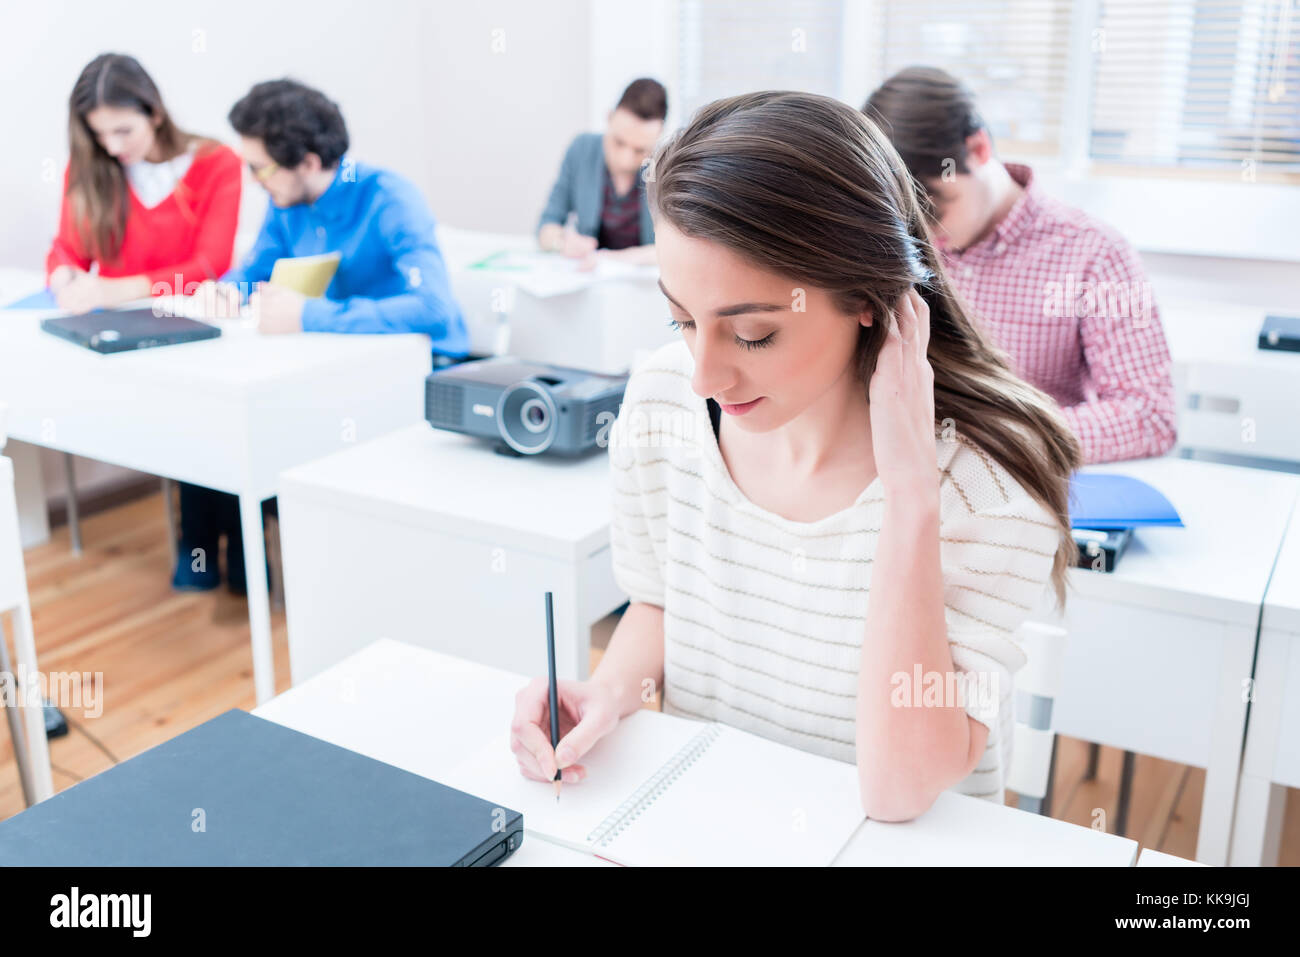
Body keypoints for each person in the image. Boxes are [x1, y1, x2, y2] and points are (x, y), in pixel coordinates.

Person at [509, 92, 1082, 821]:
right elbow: (661, 599)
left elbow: (898, 790)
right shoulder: (662, 402)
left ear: (870, 297)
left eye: (752, 334)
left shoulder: (988, 481)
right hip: (702, 823)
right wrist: (608, 691)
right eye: (682, 319)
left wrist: (910, 499)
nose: (704, 377)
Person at [178, 78, 469, 594]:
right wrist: (224, 292)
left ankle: (325, 575)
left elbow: (433, 308)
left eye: (259, 169)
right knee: (219, 423)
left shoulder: (390, 197)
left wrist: (310, 317)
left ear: (308, 162)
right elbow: (252, 272)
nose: (253, 182)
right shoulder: (286, 201)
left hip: (417, 377)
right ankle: (244, 565)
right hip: (331, 371)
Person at [864, 66, 1176, 464]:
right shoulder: (897, 245)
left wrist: (1001, 439)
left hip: (1025, 485)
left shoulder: (1097, 253)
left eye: (937, 206)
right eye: (909, 216)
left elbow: (1150, 416)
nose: (926, 234)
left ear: (977, 149)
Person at [46, 53, 241, 312]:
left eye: (124, 131)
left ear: (155, 114)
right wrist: (66, 281)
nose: (112, 147)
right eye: (99, 134)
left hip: (187, 320)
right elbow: (66, 252)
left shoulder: (217, 163)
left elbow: (210, 267)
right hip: (110, 322)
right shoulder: (89, 165)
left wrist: (116, 291)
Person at [536, 78, 667, 268]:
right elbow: (547, 225)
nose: (625, 159)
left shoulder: (665, 166)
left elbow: (677, 248)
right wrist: (562, 242)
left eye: (640, 150)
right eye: (618, 142)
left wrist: (618, 258)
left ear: (658, 136)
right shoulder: (582, 149)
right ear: (609, 118)